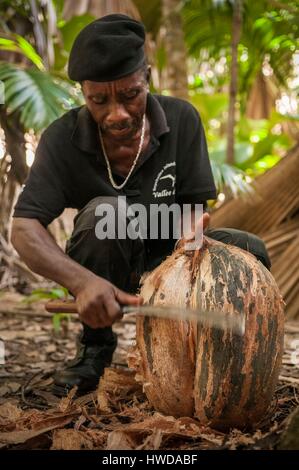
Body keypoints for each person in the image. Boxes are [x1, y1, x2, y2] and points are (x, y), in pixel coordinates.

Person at [11, 14, 271, 396]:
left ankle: (228, 357)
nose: (116, 114)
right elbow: (23, 229)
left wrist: (186, 261)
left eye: (130, 95)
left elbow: (192, 210)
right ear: (83, 92)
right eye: (99, 100)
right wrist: (83, 283)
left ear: (147, 76)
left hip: (173, 258)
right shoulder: (60, 139)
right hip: (105, 266)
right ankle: (95, 349)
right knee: (107, 214)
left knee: (250, 249)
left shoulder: (182, 119)